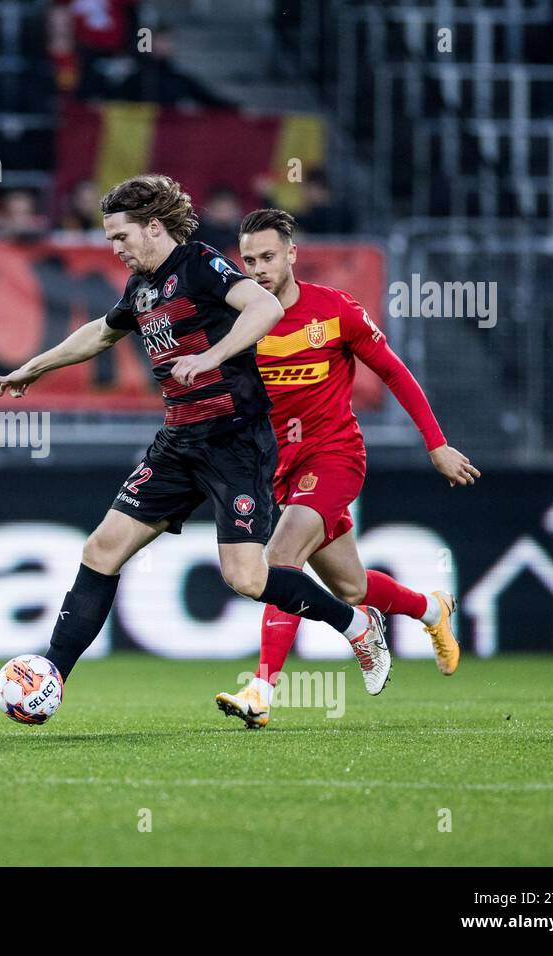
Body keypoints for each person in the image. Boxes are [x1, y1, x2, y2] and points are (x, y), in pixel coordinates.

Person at [0, 174, 392, 714]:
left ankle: (355, 622)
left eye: (120, 237)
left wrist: (211, 357)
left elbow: (266, 309)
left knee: (246, 578)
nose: (114, 248)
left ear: (153, 227)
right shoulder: (142, 288)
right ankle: (51, 674)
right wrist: (36, 367)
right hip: (178, 442)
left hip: (235, 441)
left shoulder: (199, 264)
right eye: (109, 239)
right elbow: (101, 332)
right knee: (101, 548)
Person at [214, 209, 478, 728]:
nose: (260, 268)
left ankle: (262, 691)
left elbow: (395, 374)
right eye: (249, 260)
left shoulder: (335, 310)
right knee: (351, 588)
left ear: (292, 254)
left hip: (334, 456)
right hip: (279, 470)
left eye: (269, 256)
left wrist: (437, 444)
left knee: (280, 560)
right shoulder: (239, 323)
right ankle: (431, 609)